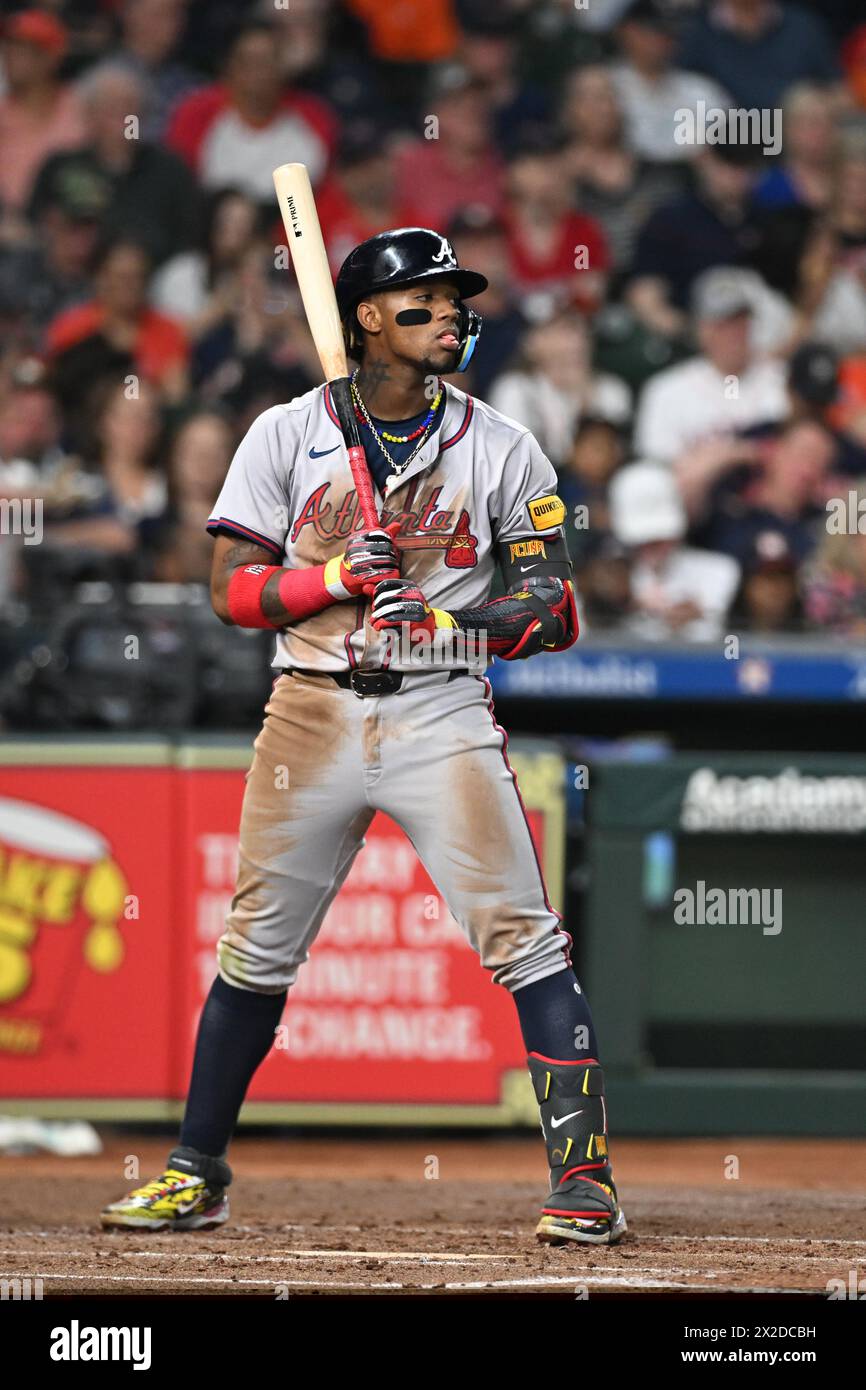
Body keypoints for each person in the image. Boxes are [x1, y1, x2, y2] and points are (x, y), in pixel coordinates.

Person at [100, 226, 628, 1249]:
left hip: (440, 705)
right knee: (255, 948)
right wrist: (335, 578)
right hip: (310, 703)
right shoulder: (283, 433)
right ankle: (193, 1169)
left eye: (453, 300)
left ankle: (584, 1182)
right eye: (423, 301)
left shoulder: (499, 443)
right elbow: (230, 592)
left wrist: (448, 625)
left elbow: (555, 609)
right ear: (367, 321)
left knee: (525, 940)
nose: (449, 316)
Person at [29, 62, 201, 269]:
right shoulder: (60, 166)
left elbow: (189, 236)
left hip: (154, 277)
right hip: (74, 276)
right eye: (110, 108)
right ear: (90, 115)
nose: (122, 118)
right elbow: (35, 223)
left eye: (129, 108)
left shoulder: (169, 168)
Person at [166, 19, 337, 206]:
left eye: (268, 62)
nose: (258, 73)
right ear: (229, 66)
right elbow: (176, 191)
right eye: (249, 62)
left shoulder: (314, 117)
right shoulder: (196, 113)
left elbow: (327, 195)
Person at [634, 267, 788, 465]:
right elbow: (658, 466)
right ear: (702, 329)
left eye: (741, 322)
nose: (734, 334)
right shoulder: (666, 389)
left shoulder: (781, 378)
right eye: (723, 324)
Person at [609, 460, 741, 641]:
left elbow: (708, 637)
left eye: (660, 538)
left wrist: (694, 614)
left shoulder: (719, 571)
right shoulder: (611, 578)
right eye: (644, 540)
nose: (652, 545)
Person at [490, 311, 630, 468]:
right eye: (562, 332)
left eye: (580, 332)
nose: (575, 342)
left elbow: (611, 454)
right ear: (533, 342)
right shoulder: (515, 388)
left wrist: (584, 395)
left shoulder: (611, 389)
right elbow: (515, 454)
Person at [611, 0, 731, 166]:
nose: (664, 40)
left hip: (692, 180)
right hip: (626, 181)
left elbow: (733, 147)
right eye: (656, 31)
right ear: (627, 32)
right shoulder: (606, 86)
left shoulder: (700, 90)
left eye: (670, 33)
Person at [0, 9, 85, 224]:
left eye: (22, 51)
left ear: (50, 58)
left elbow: (132, 126)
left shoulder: (82, 106)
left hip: (70, 225)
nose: (10, 59)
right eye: (8, 50)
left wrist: (133, 132)